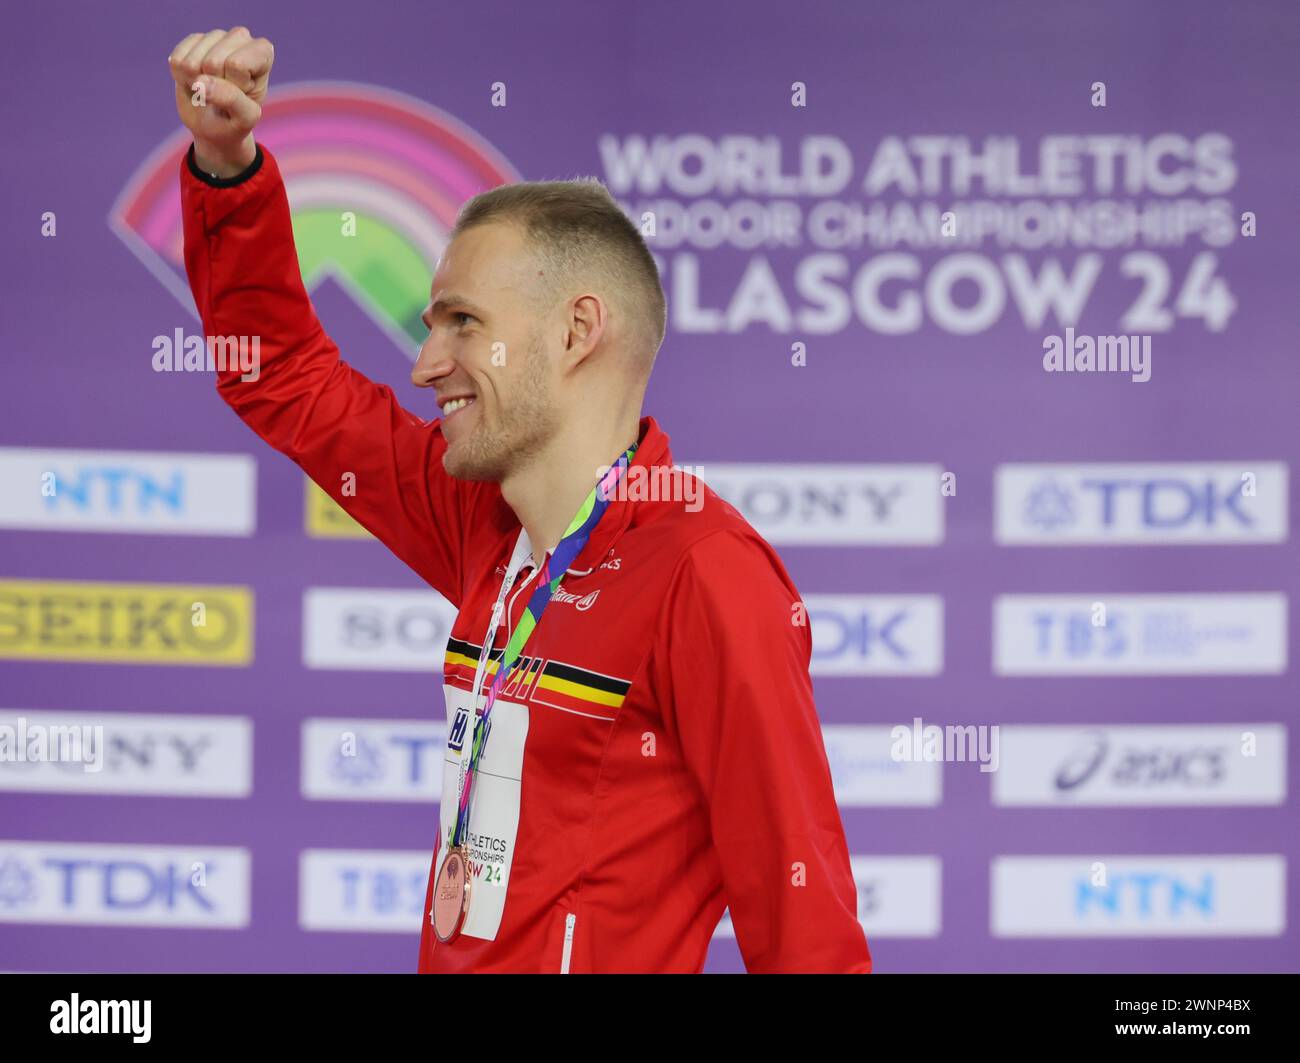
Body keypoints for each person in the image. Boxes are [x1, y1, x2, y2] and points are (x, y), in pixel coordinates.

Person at [169, 26, 871, 974]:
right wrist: (226, 170)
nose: (425, 364)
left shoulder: (704, 574)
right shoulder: (482, 522)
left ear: (579, 330)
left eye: (464, 323)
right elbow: (281, 377)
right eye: (432, 325)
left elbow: (806, 931)